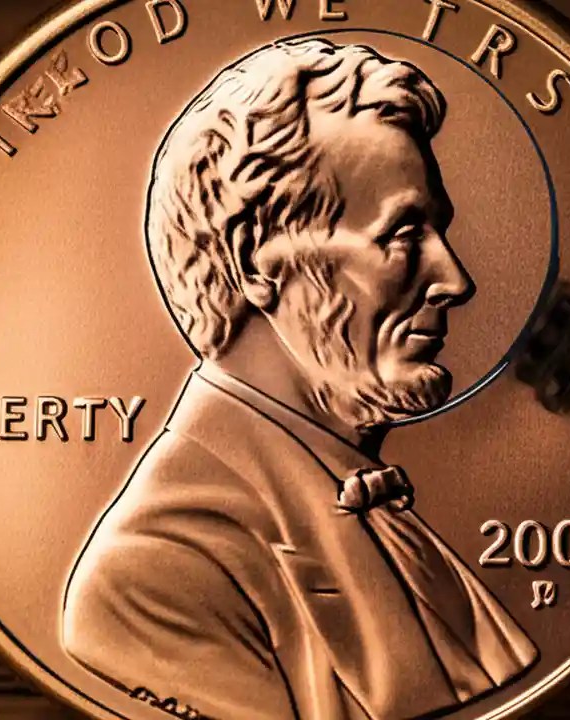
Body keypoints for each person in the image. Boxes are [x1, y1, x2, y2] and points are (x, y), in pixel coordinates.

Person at [62, 38, 537, 720]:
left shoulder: (369, 502)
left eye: (439, 232)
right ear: (256, 261)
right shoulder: (155, 572)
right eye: (403, 235)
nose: (455, 281)